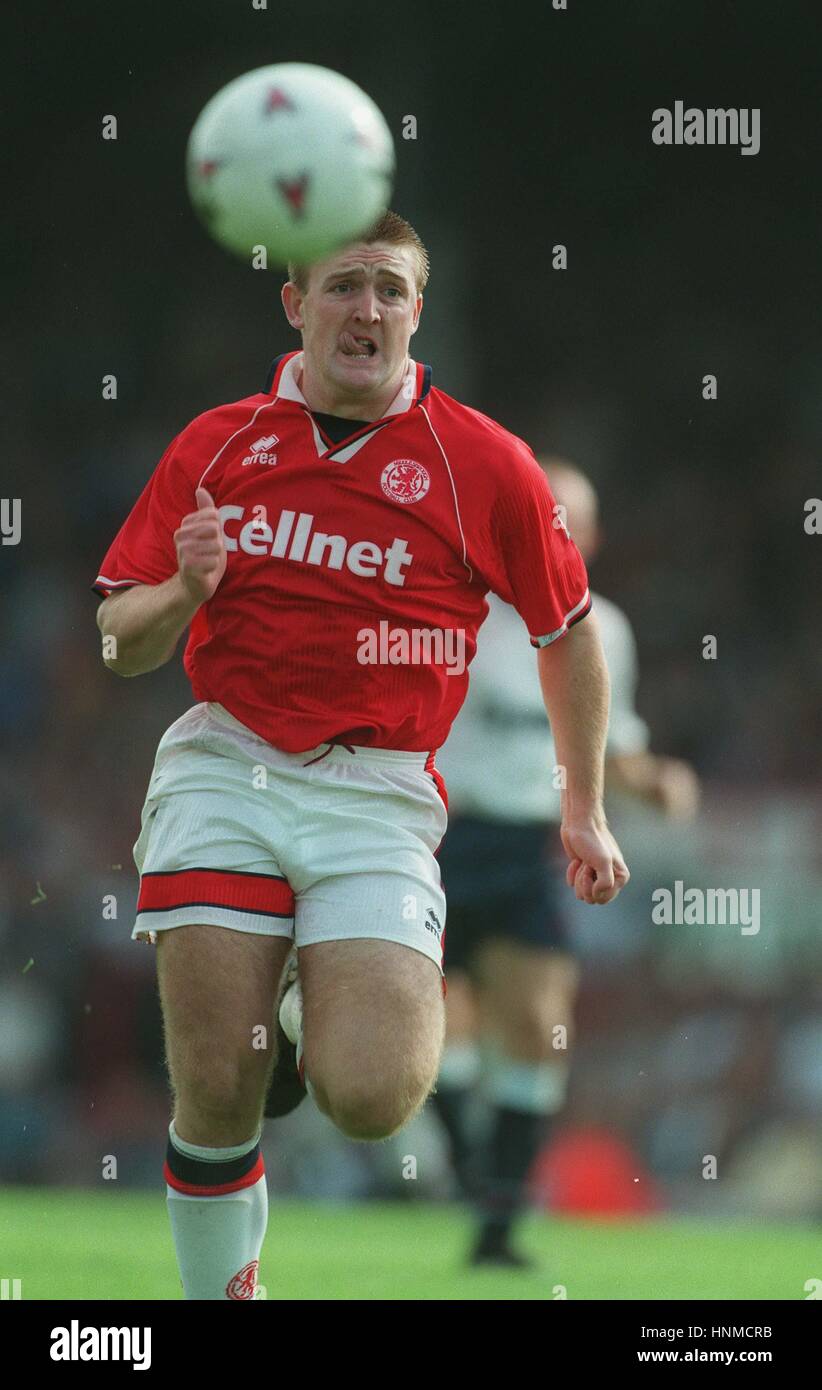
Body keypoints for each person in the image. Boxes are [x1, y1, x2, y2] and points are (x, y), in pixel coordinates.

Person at [92, 211, 629, 1301]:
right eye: (344, 286)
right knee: (214, 1083)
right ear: (296, 304)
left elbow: (567, 627)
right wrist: (185, 591)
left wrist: (585, 804)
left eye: (390, 288)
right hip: (225, 767)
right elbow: (117, 639)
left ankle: (303, 1007)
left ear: (416, 312)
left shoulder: (483, 461)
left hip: (378, 793)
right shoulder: (218, 443)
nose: (367, 310)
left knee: (374, 1094)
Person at [433, 459, 699, 1267]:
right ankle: (470, 1161)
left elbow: (607, 747)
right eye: (546, 517)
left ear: (590, 539)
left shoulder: (601, 629)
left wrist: (654, 782)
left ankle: (497, 1228)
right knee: (434, 1033)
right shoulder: (458, 611)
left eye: (571, 523)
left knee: (540, 1029)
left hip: (531, 845)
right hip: (440, 838)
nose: (558, 535)